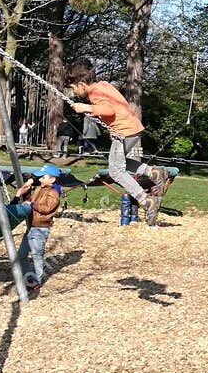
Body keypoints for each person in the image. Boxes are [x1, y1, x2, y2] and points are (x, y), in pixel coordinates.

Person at [64, 62, 153, 221]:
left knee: (116, 171)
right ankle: (153, 172)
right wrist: (96, 112)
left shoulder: (95, 93)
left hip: (123, 132)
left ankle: (145, 200)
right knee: (121, 163)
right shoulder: (103, 85)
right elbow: (114, 106)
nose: (74, 92)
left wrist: (87, 108)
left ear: (82, 84)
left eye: (73, 88)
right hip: (132, 128)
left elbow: (109, 110)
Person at [13, 163, 63, 295]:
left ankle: (36, 282)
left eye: (43, 177)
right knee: (21, 256)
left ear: (52, 179)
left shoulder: (53, 193)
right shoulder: (39, 189)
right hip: (31, 227)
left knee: (36, 256)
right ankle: (30, 278)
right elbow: (33, 201)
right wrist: (26, 196)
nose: (39, 179)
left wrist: (32, 204)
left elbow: (47, 208)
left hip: (40, 228)